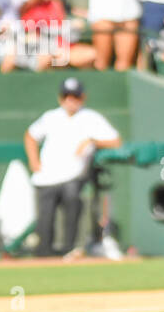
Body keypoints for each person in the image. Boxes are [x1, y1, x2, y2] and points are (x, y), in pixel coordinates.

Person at [24, 77, 122, 257]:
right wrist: (34, 162)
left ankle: (68, 252)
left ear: (82, 97)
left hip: (74, 177)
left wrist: (92, 141)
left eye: (75, 96)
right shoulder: (51, 117)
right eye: (66, 96)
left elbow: (115, 141)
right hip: (47, 176)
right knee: (45, 221)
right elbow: (30, 136)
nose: (70, 100)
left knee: (73, 206)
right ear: (60, 98)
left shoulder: (91, 118)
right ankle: (43, 256)